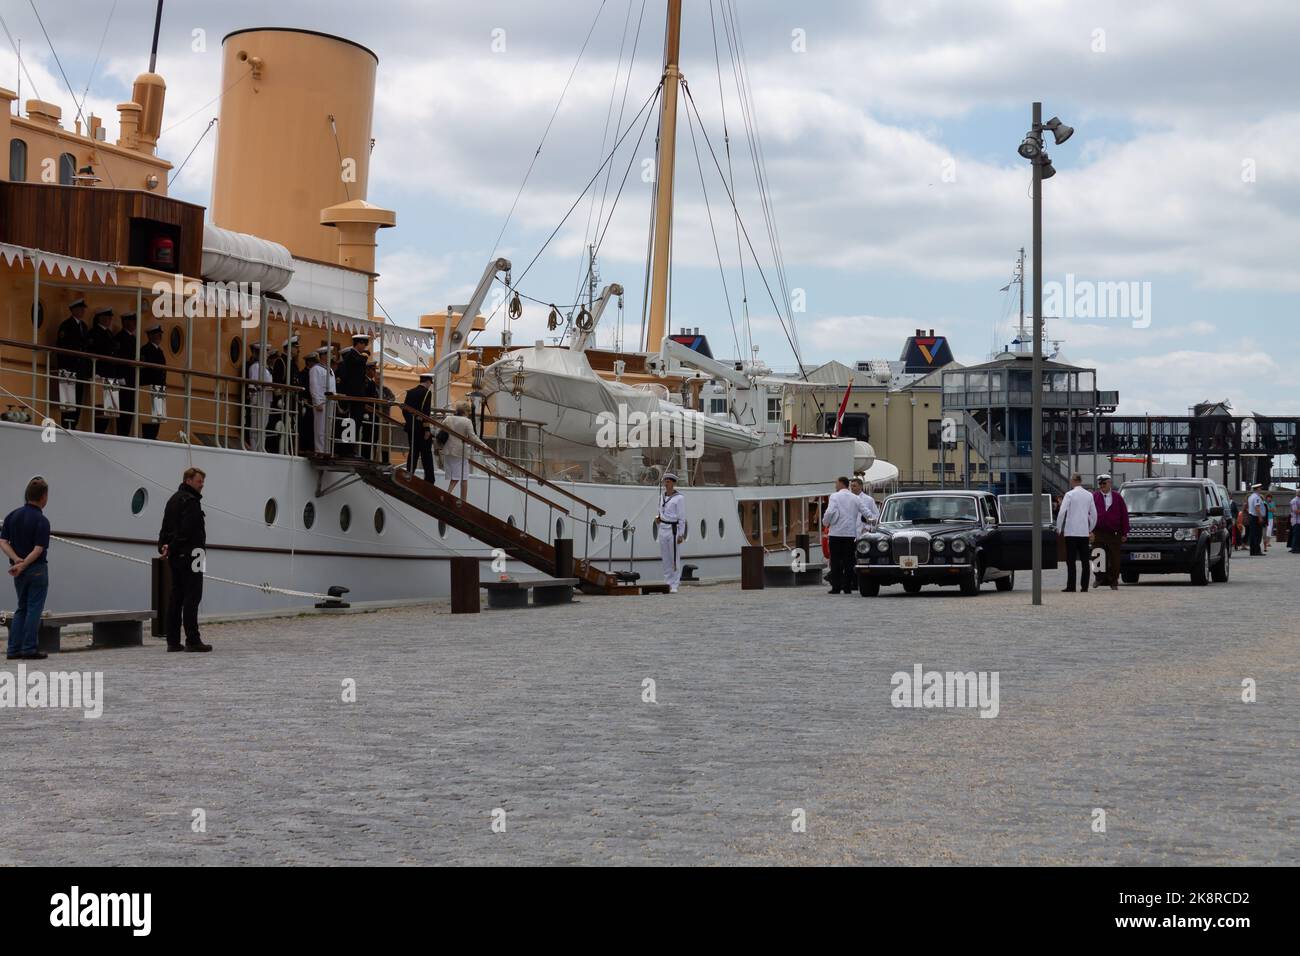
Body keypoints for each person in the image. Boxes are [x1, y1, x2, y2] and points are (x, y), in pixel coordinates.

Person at [158, 467, 211, 652]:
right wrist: (172, 545)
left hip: (175, 556)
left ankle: (172, 641)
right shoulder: (191, 502)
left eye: (203, 481)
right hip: (195, 554)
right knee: (193, 596)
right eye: (199, 481)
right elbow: (186, 531)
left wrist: (164, 546)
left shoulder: (172, 500)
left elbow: (165, 528)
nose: (202, 485)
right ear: (188, 480)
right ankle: (193, 639)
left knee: (176, 597)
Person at [1, 477, 51, 661]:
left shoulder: (11, 516)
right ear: (43, 497)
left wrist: (16, 561)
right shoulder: (42, 521)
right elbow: (38, 549)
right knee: (34, 609)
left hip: (17, 570)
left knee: (21, 608)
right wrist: (25, 564)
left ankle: (13, 649)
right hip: (36, 569)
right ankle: (29, 648)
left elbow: (3, 541)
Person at [821, 476, 871, 594]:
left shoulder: (834, 496)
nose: (835, 485)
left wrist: (825, 522)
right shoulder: (855, 498)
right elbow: (866, 512)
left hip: (836, 533)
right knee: (849, 561)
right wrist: (871, 522)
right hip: (850, 534)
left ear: (841, 484)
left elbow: (830, 511)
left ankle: (836, 587)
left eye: (836, 483)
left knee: (836, 561)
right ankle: (848, 587)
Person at [1056, 473, 1098, 593]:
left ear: (1073, 481)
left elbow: (1062, 512)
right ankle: (1084, 587)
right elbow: (1094, 515)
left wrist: (1059, 527)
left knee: (1071, 560)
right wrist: (1090, 528)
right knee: (1085, 561)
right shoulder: (1089, 495)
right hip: (1084, 532)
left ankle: (1071, 586)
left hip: (1071, 532)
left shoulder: (1069, 494)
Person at [54, 298, 90, 430]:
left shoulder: (84, 326)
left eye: (83, 309)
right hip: (69, 367)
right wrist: (63, 368)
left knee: (78, 398)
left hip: (80, 369)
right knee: (68, 399)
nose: (82, 311)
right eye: (80, 308)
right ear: (73, 310)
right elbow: (62, 347)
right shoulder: (66, 326)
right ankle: (66, 424)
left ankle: (74, 425)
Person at [1091, 474, 1129, 590]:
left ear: (1109, 483)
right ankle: (1099, 578)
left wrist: (1124, 532)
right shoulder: (1094, 497)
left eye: (1104, 483)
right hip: (1098, 531)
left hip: (1114, 533)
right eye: (1100, 484)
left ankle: (1114, 581)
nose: (1102, 486)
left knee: (1115, 558)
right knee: (1097, 555)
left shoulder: (1117, 497)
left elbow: (1124, 515)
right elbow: (1089, 514)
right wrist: (1089, 530)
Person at [335, 334, 370, 456]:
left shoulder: (357, 356)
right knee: (351, 422)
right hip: (353, 396)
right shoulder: (352, 356)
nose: (365, 347)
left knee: (354, 423)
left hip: (357, 396)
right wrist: (364, 357)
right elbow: (351, 377)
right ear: (358, 343)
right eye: (364, 344)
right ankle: (347, 449)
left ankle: (350, 448)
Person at [86, 307, 120, 434]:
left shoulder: (109, 334)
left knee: (109, 407)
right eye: (107, 317)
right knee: (100, 405)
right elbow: (91, 351)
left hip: (110, 374)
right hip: (100, 372)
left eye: (110, 317)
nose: (109, 319)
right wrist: (93, 371)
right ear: (100, 318)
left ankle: (103, 429)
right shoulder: (94, 333)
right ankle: (98, 430)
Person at [441, 401, 477, 501]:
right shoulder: (467, 421)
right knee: (463, 477)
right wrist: (485, 446)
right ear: (466, 411)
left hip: (448, 450)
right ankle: (460, 499)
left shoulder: (448, 418)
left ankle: (451, 495)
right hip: (460, 452)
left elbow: (440, 431)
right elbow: (473, 437)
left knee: (456, 476)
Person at [657, 472, 687, 593]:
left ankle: (675, 583)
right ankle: (667, 582)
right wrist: (658, 518)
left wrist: (681, 534)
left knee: (674, 557)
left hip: (673, 530)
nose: (666, 484)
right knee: (665, 557)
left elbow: (682, 517)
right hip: (663, 527)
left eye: (668, 482)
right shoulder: (662, 497)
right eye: (665, 481)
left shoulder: (679, 498)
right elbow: (659, 510)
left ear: (673, 483)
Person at [403, 371, 436, 479]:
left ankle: (409, 474)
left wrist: (410, 421)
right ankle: (429, 479)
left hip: (411, 427)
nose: (431, 384)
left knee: (413, 452)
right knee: (426, 454)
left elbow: (405, 410)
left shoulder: (410, 392)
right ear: (428, 381)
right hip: (421, 429)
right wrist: (427, 429)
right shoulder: (427, 393)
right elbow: (425, 412)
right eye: (431, 382)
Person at [139, 323, 167, 441]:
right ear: (150, 336)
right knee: (149, 416)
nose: (159, 337)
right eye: (157, 334)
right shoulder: (145, 350)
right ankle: (148, 437)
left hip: (159, 387)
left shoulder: (160, 351)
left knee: (158, 416)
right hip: (149, 386)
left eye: (160, 334)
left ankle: (154, 436)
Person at [113, 313, 139, 437]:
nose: (134, 324)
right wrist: (120, 376)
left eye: (135, 321)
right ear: (125, 322)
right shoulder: (120, 338)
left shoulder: (133, 339)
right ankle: (122, 433)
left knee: (130, 408)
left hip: (132, 379)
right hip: (123, 379)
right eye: (132, 321)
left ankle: (126, 432)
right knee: (123, 407)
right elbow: (118, 358)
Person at [246, 344, 272, 452]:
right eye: (265, 351)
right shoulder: (256, 366)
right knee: (256, 426)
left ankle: (261, 447)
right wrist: (255, 401)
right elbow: (253, 385)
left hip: (265, 399)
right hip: (259, 400)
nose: (267, 354)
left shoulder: (263, 366)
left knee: (262, 425)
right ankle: (255, 447)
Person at [307, 346, 332, 454]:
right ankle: (319, 450)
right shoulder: (315, 369)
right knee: (320, 429)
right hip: (322, 401)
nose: (330, 356)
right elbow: (314, 386)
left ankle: (326, 450)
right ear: (323, 355)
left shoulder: (329, 369)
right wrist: (317, 402)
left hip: (331, 402)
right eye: (328, 354)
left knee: (328, 429)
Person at [1246, 484, 1265, 556]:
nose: (1261, 489)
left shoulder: (1250, 497)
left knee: (1253, 534)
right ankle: (1257, 551)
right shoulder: (1257, 497)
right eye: (1260, 488)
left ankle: (1253, 551)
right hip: (1255, 517)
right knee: (1258, 534)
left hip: (1252, 516)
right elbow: (1257, 508)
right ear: (1257, 489)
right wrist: (1260, 517)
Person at [1288, 489, 1300, 553]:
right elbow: (1296, 511)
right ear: (1297, 493)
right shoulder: (1294, 501)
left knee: (1298, 535)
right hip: (1296, 521)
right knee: (1296, 535)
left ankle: (1297, 547)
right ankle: (1295, 548)